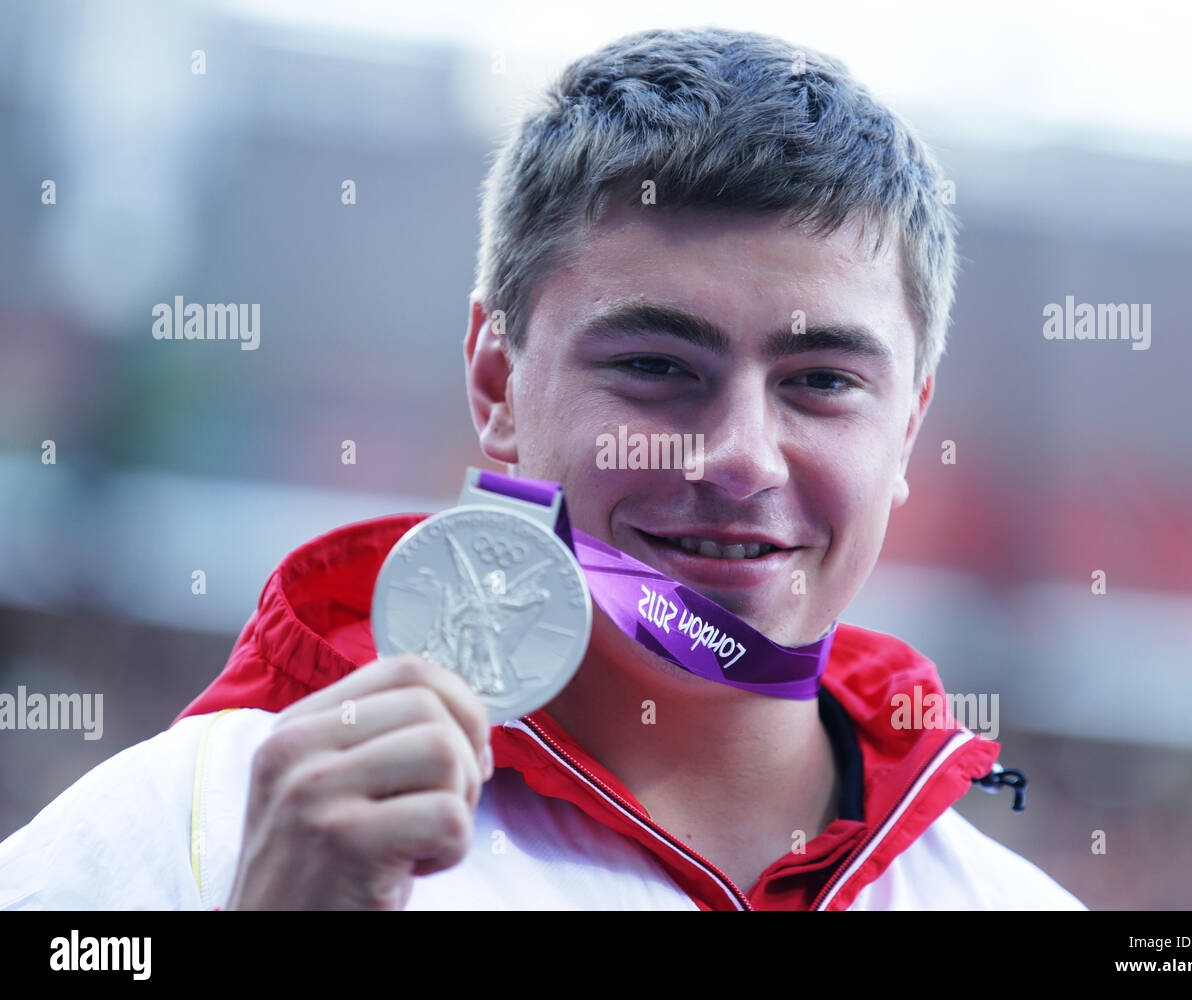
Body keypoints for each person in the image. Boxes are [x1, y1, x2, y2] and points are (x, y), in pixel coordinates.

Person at [0, 26, 1085, 911]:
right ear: (496, 386)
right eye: (658, 366)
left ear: (906, 431)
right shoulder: (188, 828)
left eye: (821, 383)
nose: (741, 457)